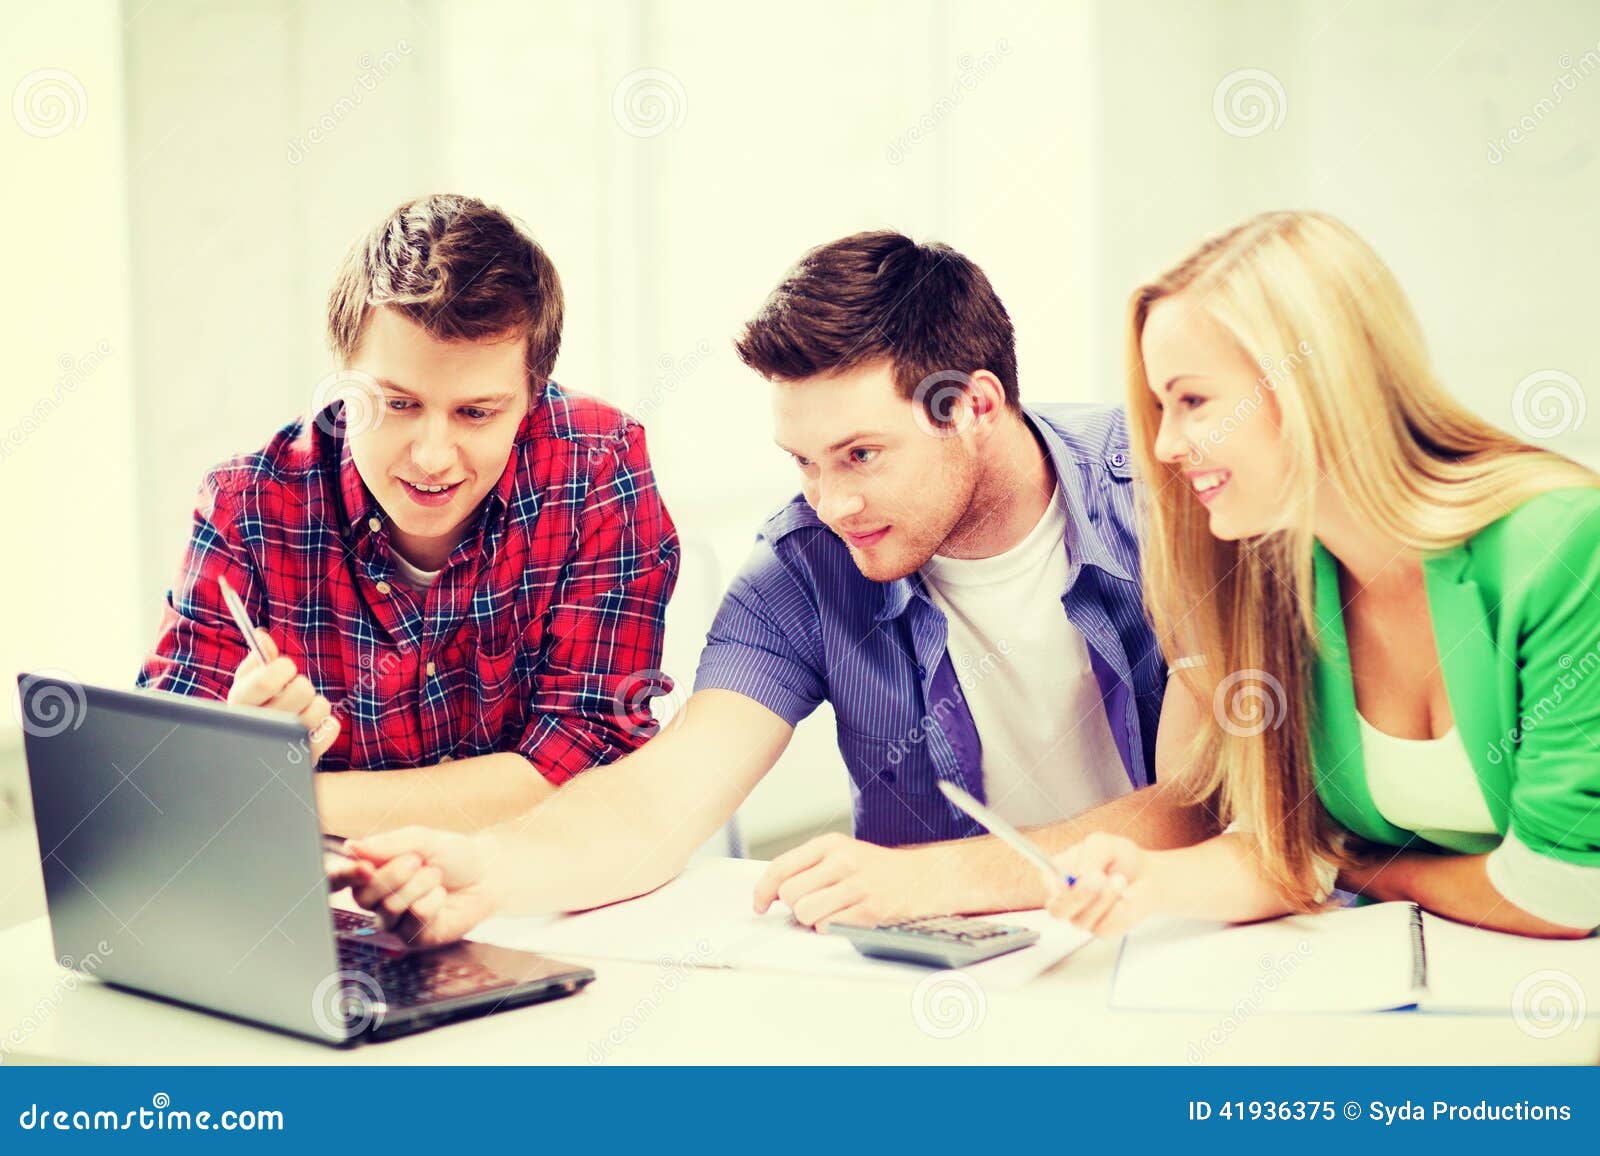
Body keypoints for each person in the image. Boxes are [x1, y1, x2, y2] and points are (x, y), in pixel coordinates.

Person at [332, 230, 1218, 944]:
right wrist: (487, 873)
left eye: (862, 455)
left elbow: (1207, 802)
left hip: (1197, 947)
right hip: (966, 992)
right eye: (804, 461)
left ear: (974, 406)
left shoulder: (1168, 496)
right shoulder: (806, 564)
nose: (831, 501)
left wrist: (932, 877)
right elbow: (660, 798)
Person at [1046, 210, 1600, 941]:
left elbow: (1561, 893)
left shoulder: (1559, 543)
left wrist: (1371, 870)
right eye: (1157, 407)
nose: (1165, 444)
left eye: (1192, 401)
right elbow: (1285, 847)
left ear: (1313, 383)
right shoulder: (1276, 574)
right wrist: (1148, 880)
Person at [138, 195, 679, 837]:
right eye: (397, 404)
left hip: (539, 890)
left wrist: (284, 795)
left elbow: (591, 756)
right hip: (330, 906)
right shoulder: (247, 505)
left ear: (532, 399)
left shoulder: (597, 464)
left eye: (476, 413)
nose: (431, 457)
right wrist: (236, 751)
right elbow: (164, 787)